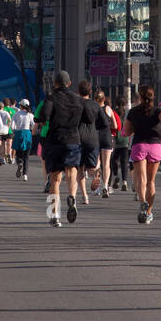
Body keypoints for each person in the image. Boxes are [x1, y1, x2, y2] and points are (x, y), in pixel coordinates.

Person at [38, 71, 92, 226]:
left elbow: (44, 115)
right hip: (73, 140)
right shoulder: (78, 99)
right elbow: (88, 118)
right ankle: (72, 197)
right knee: (72, 171)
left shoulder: (51, 97)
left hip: (55, 140)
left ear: (55, 83)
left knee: (55, 178)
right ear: (69, 83)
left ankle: (54, 216)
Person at [127, 86, 161, 225]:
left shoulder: (133, 111)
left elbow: (126, 131)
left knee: (141, 179)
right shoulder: (158, 110)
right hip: (155, 146)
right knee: (151, 182)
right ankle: (149, 212)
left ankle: (142, 204)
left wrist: (128, 131)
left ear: (140, 97)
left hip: (139, 145)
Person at [76, 82, 101, 205]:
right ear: (90, 92)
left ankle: (85, 196)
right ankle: (95, 173)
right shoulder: (95, 105)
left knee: (79, 169)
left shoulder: (75, 104)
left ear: (78, 91)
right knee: (90, 167)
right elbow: (104, 123)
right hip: (92, 138)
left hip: (78, 138)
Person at [93, 88, 115, 198]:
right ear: (104, 99)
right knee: (106, 164)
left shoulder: (92, 109)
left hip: (95, 137)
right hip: (106, 137)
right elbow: (115, 125)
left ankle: (96, 188)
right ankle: (105, 186)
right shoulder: (108, 109)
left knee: (97, 163)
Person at [12, 99, 34, 180]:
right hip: (27, 133)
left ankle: (19, 162)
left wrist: (14, 131)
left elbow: (12, 125)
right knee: (26, 156)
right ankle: (25, 174)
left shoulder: (16, 114)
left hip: (18, 133)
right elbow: (33, 125)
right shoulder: (30, 115)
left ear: (20, 106)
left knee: (18, 153)